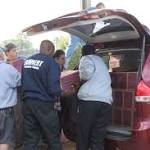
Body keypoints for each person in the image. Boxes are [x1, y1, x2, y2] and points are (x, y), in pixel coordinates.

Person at [22, 40, 62, 150]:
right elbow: (54, 89)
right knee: (53, 138)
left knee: (30, 139)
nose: (52, 55)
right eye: (52, 52)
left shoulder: (27, 61)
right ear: (49, 49)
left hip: (27, 103)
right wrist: (64, 92)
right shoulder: (51, 63)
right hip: (44, 104)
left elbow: (23, 82)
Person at [76, 45, 112, 150]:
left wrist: (79, 79)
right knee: (97, 138)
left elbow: (86, 75)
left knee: (83, 134)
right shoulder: (101, 62)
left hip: (90, 101)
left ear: (83, 53)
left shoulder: (86, 58)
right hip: (106, 102)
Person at [65, 2, 105, 68]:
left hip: (83, 34)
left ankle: (82, 64)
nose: (102, 12)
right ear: (98, 7)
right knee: (72, 45)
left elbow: (93, 28)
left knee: (86, 48)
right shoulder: (93, 9)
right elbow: (83, 13)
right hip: (77, 30)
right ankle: (65, 62)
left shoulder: (97, 17)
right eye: (102, 9)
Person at [0, 47, 21, 150]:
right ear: (2, 54)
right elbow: (19, 81)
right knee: (5, 139)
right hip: (5, 110)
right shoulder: (8, 68)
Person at [5, 43, 24, 148]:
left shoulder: (21, 62)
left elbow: (21, 79)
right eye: (12, 51)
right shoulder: (4, 64)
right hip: (5, 95)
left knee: (18, 118)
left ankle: (18, 141)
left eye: (15, 50)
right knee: (8, 119)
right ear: (7, 53)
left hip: (17, 94)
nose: (14, 53)